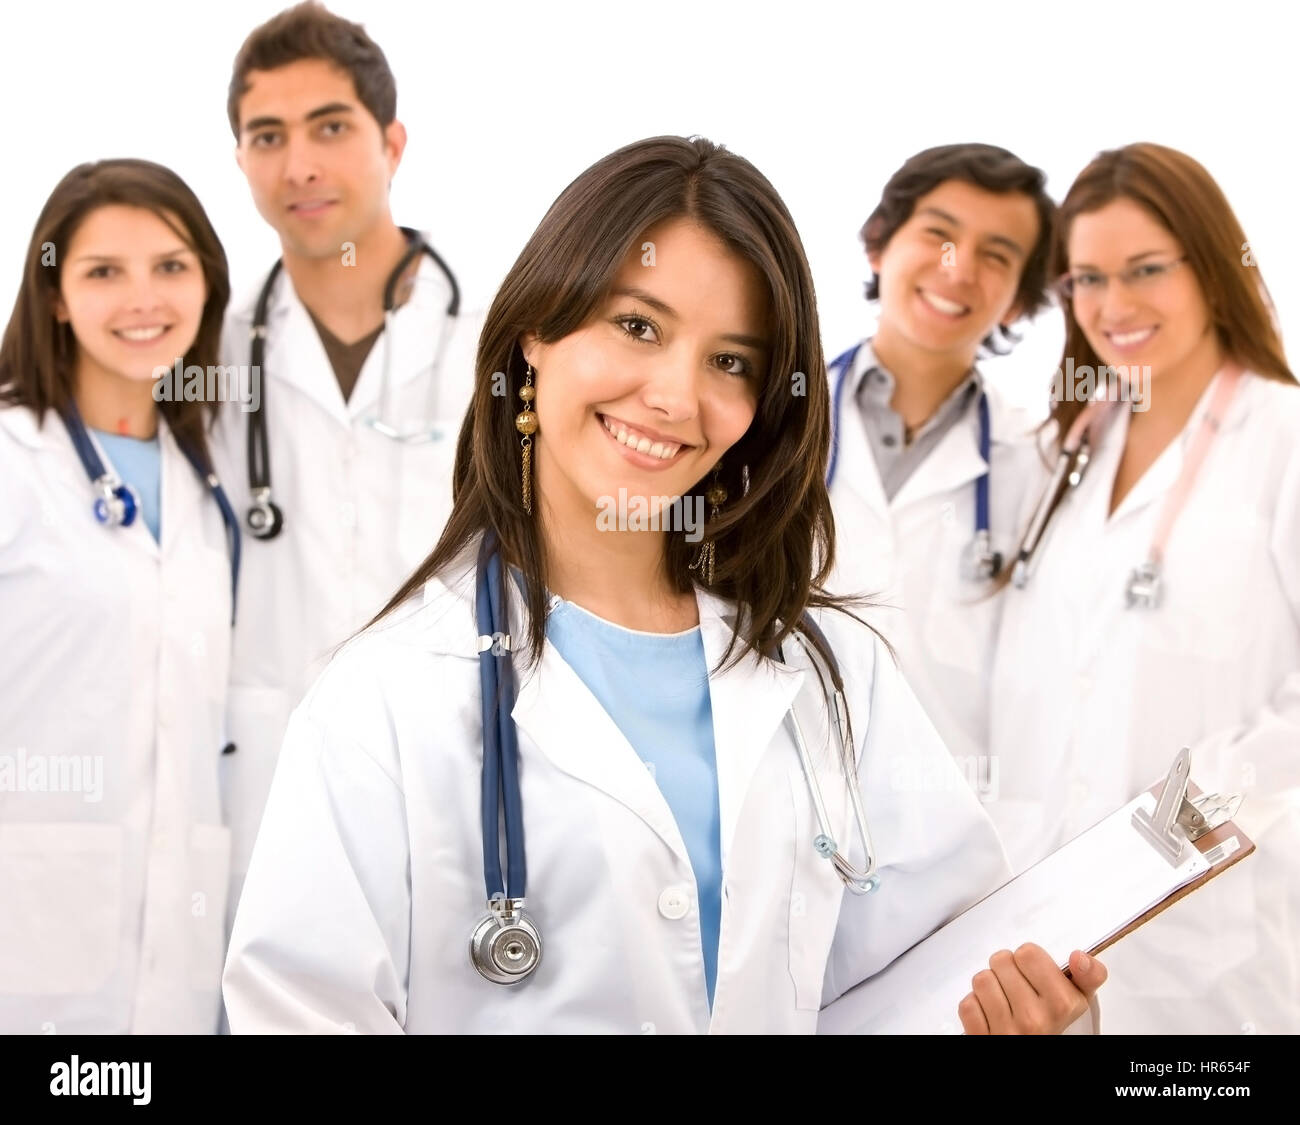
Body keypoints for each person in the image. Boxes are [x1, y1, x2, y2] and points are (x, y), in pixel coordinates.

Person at [222, 135, 1105, 1034]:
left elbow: (933, 983)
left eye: (731, 361)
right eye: (638, 326)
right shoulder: (384, 696)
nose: (677, 398)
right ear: (538, 331)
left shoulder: (834, 676)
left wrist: (1034, 1021)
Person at [989, 142, 1300, 1033]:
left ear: (1211, 267)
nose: (1112, 306)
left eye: (1146, 271)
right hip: (1040, 953)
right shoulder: (1065, 450)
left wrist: (1203, 794)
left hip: (1211, 960)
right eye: (1087, 277)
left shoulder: (1283, 437)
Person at [211, 2, 478, 916]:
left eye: (330, 127)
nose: (301, 166)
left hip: (462, 775)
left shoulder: (502, 340)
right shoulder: (205, 355)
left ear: (392, 142)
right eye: (267, 135)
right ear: (240, 158)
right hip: (265, 782)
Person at [0, 160, 237, 1033]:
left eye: (170, 266)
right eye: (104, 271)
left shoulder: (205, 483)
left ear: (207, 284)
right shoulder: (12, 458)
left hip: (177, 952)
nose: (144, 297)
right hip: (25, 951)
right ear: (57, 296)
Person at [825, 144, 1052, 773]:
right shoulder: (767, 425)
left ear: (1017, 301)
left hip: (965, 839)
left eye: (997, 256)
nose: (959, 270)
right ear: (879, 243)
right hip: (775, 823)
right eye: (939, 235)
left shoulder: (1043, 467)